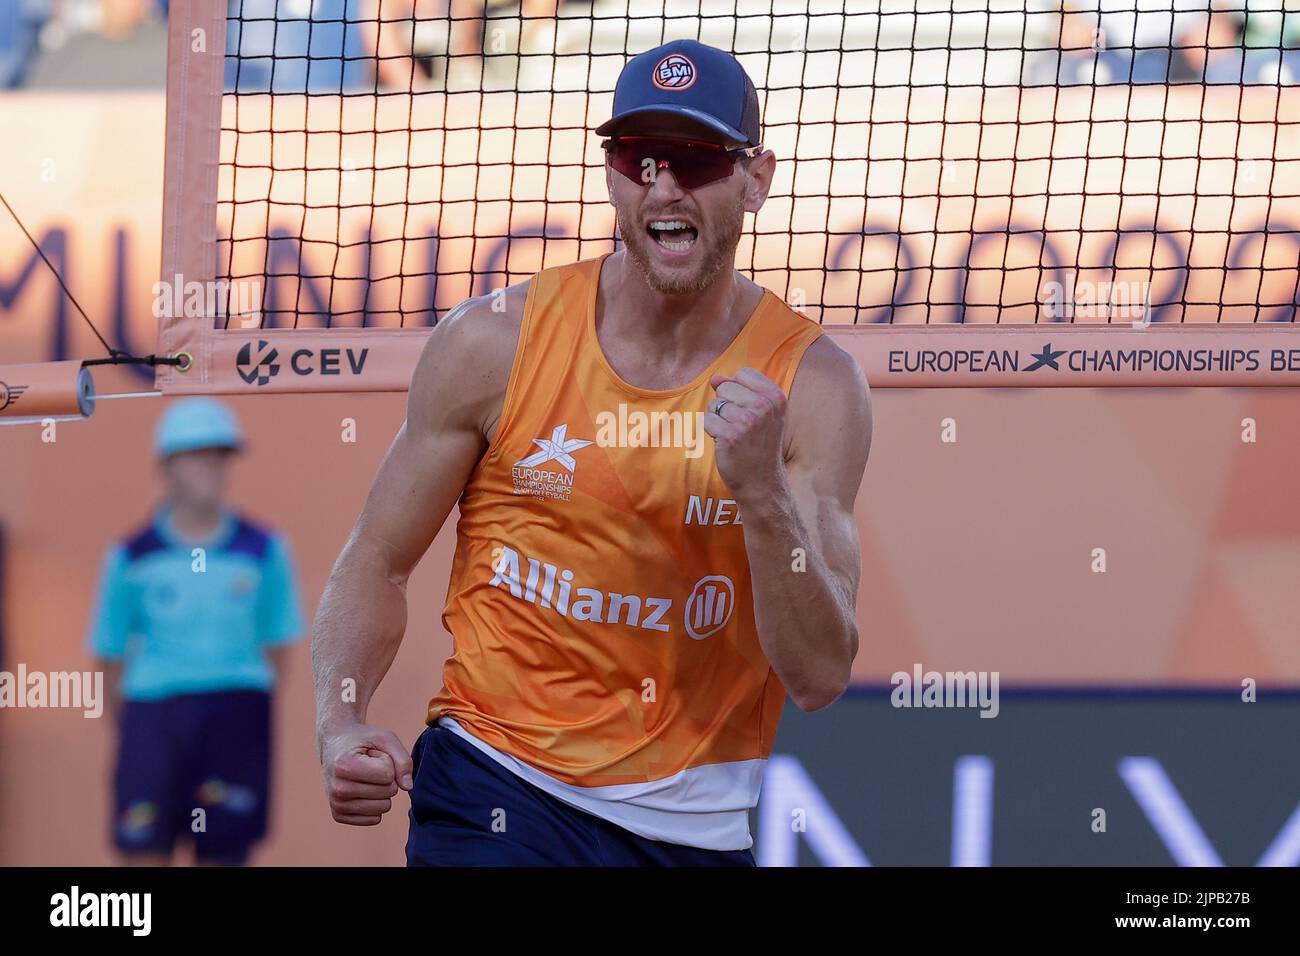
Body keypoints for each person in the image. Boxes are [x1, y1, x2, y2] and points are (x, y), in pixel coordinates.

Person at [313, 38, 872, 866]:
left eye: (696, 159)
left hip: (692, 825)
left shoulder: (815, 385)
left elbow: (820, 675)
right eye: (638, 156)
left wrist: (761, 495)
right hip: (496, 780)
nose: (664, 184)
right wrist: (341, 718)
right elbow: (376, 560)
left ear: (756, 179)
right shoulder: (492, 342)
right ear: (612, 172)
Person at [87, 397, 304, 866]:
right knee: (142, 851)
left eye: (220, 455)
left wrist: (237, 701)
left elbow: (278, 646)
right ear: (167, 465)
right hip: (153, 721)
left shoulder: (265, 549)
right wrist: (141, 727)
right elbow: (109, 655)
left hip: (236, 718)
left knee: (225, 853)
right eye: (198, 454)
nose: (213, 467)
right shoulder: (131, 556)